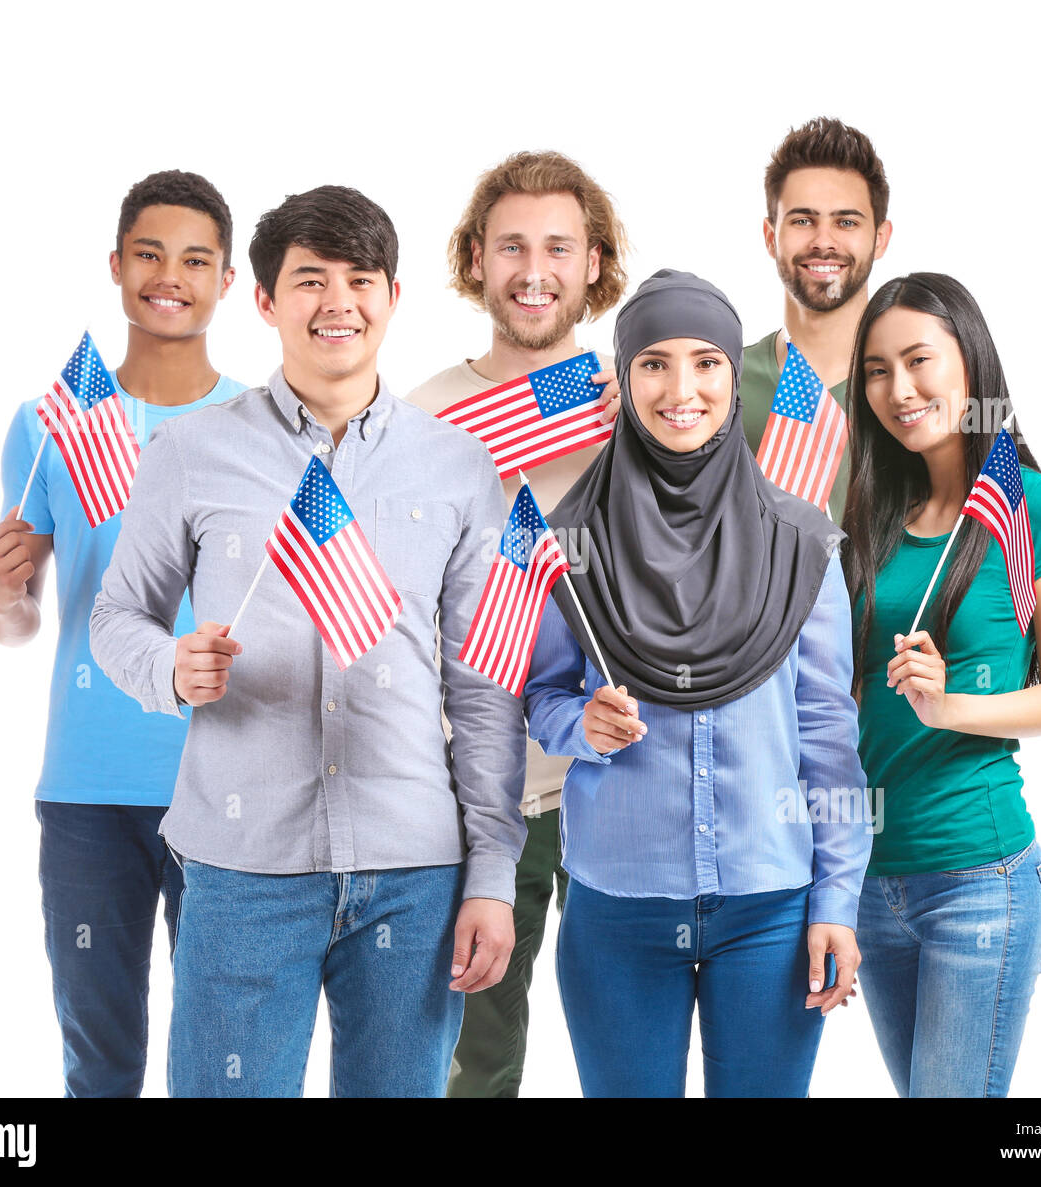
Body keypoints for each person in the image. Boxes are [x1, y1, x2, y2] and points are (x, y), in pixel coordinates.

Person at [89, 185, 527, 1098]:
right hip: (243, 872)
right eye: (310, 280)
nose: (338, 303)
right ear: (265, 301)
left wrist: (491, 870)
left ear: (393, 297)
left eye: (360, 280)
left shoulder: (457, 467)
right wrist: (172, 665)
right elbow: (116, 617)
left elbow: (484, 685)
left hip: (414, 869)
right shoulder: (191, 453)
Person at [523, 269, 872, 1097]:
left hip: (773, 910)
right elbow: (541, 697)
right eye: (654, 364)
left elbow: (829, 741)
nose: (682, 389)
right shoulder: (566, 540)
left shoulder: (803, 544)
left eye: (707, 362)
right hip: (618, 907)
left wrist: (838, 900)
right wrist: (582, 725)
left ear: (732, 377)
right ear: (625, 374)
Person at [0, 169, 245, 1096]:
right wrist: (1, 592)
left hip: (230, 787)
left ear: (225, 279)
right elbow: (16, 623)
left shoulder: (261, 427)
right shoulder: (52, 426)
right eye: (150, 254)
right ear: (117, 265)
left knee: (223, 1058)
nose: (169, 276)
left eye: (195, 260)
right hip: (89, 790)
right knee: (99, 1060)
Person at [841, 272, 1041, 1097]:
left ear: (971, 362)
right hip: (872, 883)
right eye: (877, 370)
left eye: (919, 360)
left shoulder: (1035, 509)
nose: (899, 389)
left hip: (977, 877)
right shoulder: (873, 514)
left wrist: (950, 705)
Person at [405, 149, 626, 1098]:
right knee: (478, 1053)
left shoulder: (647, 396)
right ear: (476, 260)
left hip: (635, 771)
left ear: (592, 263)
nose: (533, 270)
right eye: (510, 247)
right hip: (490, 789)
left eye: (557, 247)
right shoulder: (422, 418)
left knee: (634, 1050)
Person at [741, 116, 893, 520]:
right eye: (803, 220)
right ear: (771, 236)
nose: (824, 241)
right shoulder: (718, 383)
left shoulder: (917, 386)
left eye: (846, 222)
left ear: (880, 238)